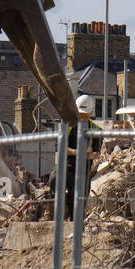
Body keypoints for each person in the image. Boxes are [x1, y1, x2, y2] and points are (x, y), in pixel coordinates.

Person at [51, 93, 103, 221]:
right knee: (54, 180)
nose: (83, 119)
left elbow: (96, 153)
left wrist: (87, 153)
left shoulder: (96, 130)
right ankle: (62, 211)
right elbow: (60, 148)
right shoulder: (68, 127)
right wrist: (77, 152)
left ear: (91, 113)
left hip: (83, 172)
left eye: (85, 116)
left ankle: (75, 228)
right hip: (66, 168)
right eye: (81, 115)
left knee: (78, 205)